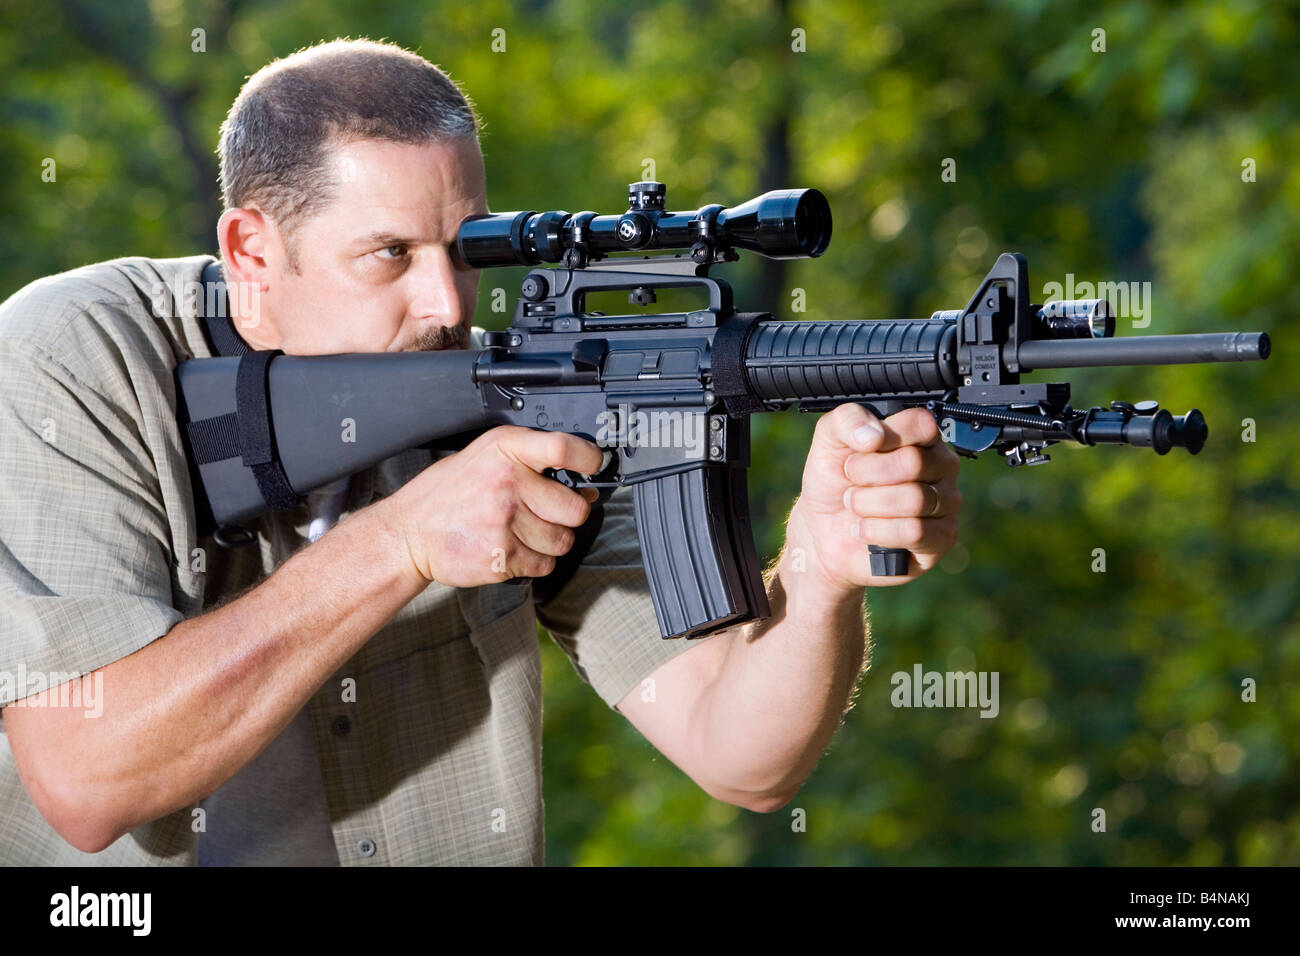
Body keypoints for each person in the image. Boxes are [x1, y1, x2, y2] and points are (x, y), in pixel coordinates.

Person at [0, 38, 962, 865]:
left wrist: (820, 572)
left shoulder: (537, 392)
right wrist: (399, 543)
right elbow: (87, 778)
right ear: (251, 251)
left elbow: (742, 757)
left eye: (467, 250)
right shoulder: (76, 357)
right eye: (390, 255)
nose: (448, 306)